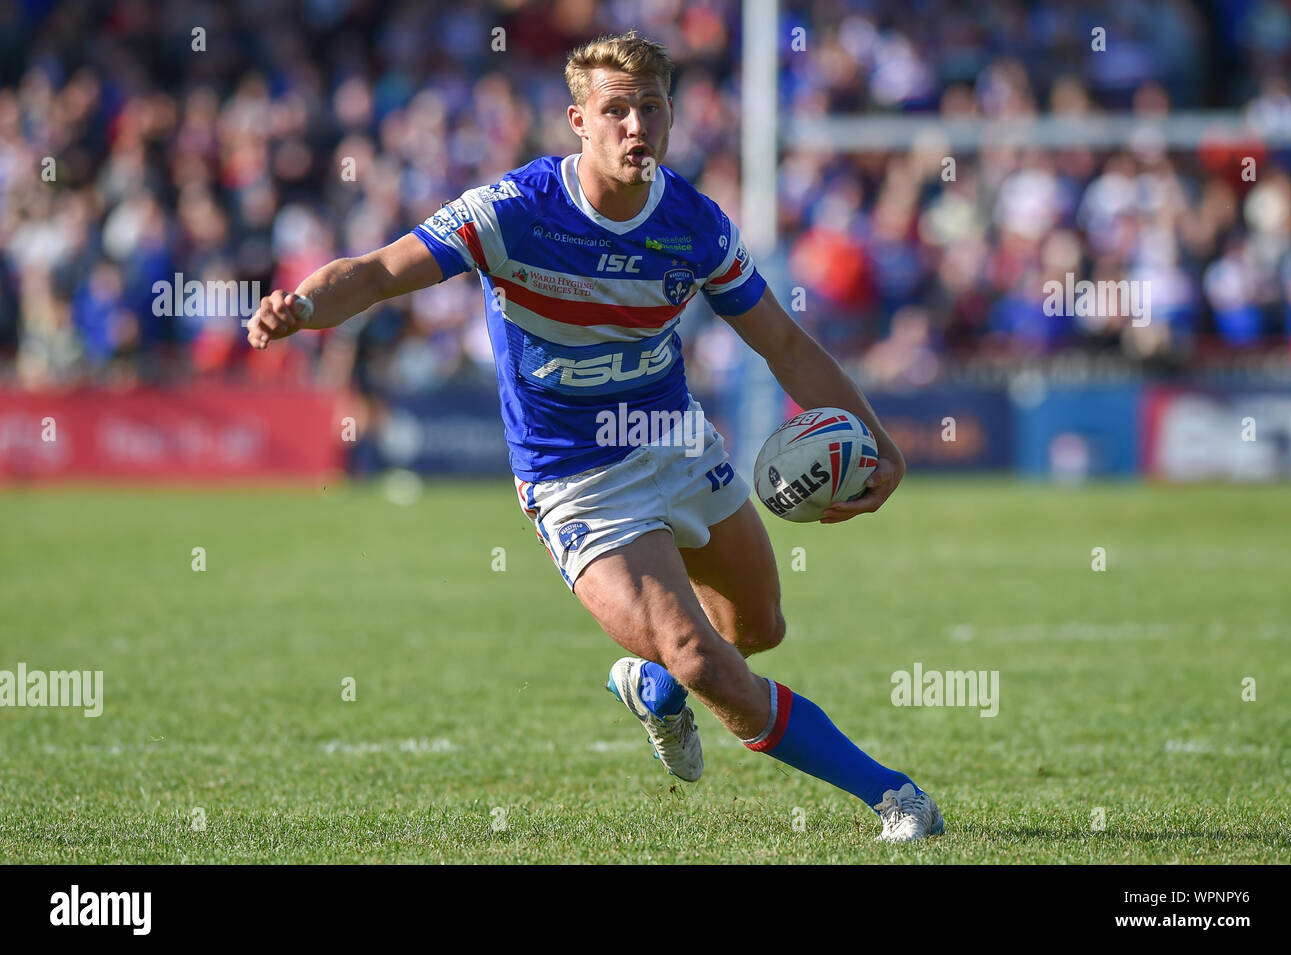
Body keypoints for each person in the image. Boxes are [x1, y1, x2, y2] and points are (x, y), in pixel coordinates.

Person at [246, 30, 943, 842]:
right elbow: (375, 271)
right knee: (699, 652)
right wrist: (300, 305)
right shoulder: (510, 213)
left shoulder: (695, 225)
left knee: (757, 632)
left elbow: (783, 343)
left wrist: (880, 442)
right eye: (617, 110)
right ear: (579, 121)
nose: (636, 127)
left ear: (673, 115)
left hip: (676, 443)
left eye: (652, 108)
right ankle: (896, 797)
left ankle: (651, 688)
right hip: (576, 478)